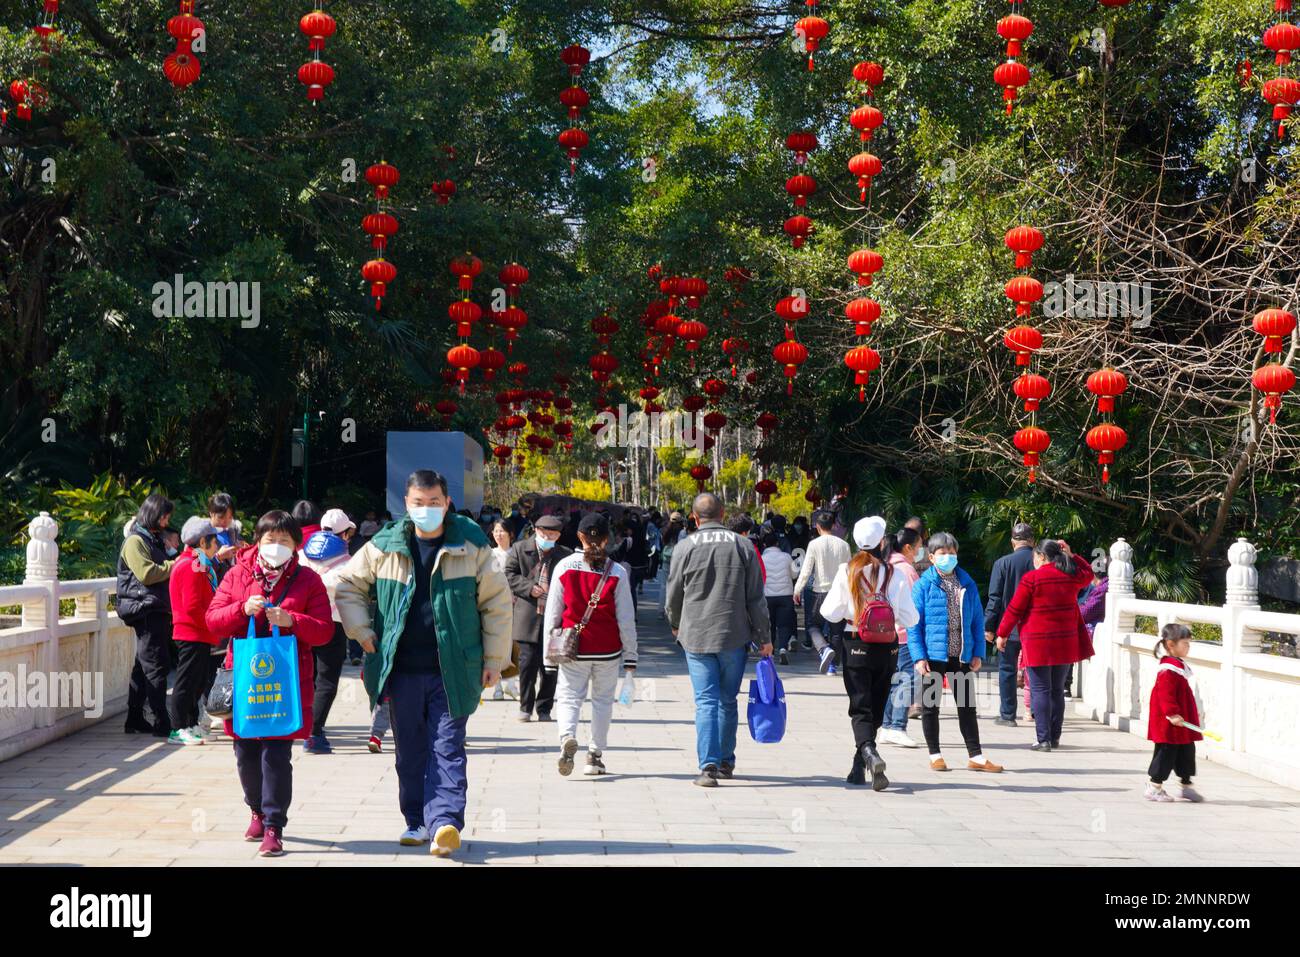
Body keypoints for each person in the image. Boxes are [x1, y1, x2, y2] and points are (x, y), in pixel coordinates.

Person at [334, 470, 512, 857]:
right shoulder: (384, 545)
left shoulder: (471, 544)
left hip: (454, 669)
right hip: (400, 670)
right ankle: (415, 819)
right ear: (406, 504)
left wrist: (495, 660)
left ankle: (445, 821)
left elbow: (497, 603)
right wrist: (361, 631)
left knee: (447, 746)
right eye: (419, 503)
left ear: (447, 503)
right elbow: (347, 584)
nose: (427, 510)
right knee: (410, 749)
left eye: (434, 503)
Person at [205, 510, 334, 857]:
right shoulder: (238, 574)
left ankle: (274, 825)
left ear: (296, 545)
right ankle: (256, 810)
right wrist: (241, 610)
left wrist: (293, 619)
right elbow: (213, 621)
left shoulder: (308, 580)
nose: (276, 547)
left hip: (286, 682)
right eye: (269, 540)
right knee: (246, 753)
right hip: (245, 681)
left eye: (284, 541)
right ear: (258, 541)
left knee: (277, 755)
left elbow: (324, 631)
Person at [665, 493, 771, 787]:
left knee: (706, 702)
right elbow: (756, 597)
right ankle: (726, 761)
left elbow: (673, 592)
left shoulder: (684, 547)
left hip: (696, 635)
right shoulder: (744, 546)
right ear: (723, 514)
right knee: (727, 699)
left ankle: (708, 766)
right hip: (733, 634)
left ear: (695, 518)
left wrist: (675, 623)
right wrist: (764, 636)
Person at [820, 516, 920, 790]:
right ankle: (859, 764)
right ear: (882, 541)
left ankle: (868, 752)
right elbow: (910, 618)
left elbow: (829, 612)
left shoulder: (847, 571)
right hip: (887, 647)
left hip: (855, 644)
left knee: (860, 706)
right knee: (876, 706)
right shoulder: (894, 573)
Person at [545, 512, 638, 776]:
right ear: (608, 539)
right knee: (602, 702)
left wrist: (547, 658)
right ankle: (594, 755)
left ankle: (566, 737)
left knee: (569, 697)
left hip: (573, 649)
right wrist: (631, 658)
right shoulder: (617, 572)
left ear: (579, 536)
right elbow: (626, 619)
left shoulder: (563, 567)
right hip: (608, 650)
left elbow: (552, 614)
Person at [907, 532, 1003, 773]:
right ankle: (935, 754)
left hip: (961, 654)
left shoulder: (966, 583)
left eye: (952, 553)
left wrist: (978, 652)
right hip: (933, 656)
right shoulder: (923, 585)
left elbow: (976, 620)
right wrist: (919, 656)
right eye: (943, 553)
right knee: (931, 706)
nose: (948, 557)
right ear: (931, 556)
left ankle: (976, 756)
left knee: (967, 706)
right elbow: (913, 624)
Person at [994, 539, 1095, 751]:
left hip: (1038, 642)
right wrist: (1072, 553)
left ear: (1041, 557)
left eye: (1035, 558)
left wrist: (1002, 633)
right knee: (1057, 690)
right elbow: (1088, 574)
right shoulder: (1071, 576)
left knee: (1040, 690)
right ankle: (1055, 737)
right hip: (1065, 641)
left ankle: (1043, 739)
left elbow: (1014, 609)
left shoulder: (1032, 578)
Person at [117, 493, 178, 738]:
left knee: (143, 666)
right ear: (154, 514)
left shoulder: (151, 538)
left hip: (155, 607)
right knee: (156, 665)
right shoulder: (135, 541)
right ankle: (162, 720)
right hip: (145, 609)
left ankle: (134, 718)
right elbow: (146, 574)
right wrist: (175, 564)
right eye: (164, 516)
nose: (166, 521)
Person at [299, 508, 357, 752]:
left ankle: (301, 725)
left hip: (302, 622)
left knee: (306, 677)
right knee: (327, 680)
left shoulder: (301, 555)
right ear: (344, 534)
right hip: (332, 624)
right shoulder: (348, 561)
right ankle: (314, 733)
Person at [505, 515, 571, 722]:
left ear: (559, 535)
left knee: (551, 667)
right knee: (527, 665)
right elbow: (508, 574)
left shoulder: (564, 555)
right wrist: (528, 588)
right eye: (544, 533)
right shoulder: (519, 548)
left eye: (553, 534)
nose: (548, 537)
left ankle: (544, 708)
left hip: (555, 618)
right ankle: (525, 707)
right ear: (536, 531)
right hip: (528, 615)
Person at [166, 517, 223, 746]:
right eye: (214, 541)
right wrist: (213, 624)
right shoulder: (191, 564)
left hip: (198, 632)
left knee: (196, 682)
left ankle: (190, 724)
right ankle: (177, 728)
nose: (217, 546)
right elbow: (192, 606)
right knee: (186, 683)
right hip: (191, 632)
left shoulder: (197, 561)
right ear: (202, 541)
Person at [984, 522, 1037, 728]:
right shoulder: (1040, 561)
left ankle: (1008, 715)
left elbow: (995, 598)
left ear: (1012, 541)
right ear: (1032, 541)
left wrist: (989, 626)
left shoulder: (1002, 563)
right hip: (1035, 627)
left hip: (1009, 627)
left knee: (1007, 670)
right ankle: (1035, 712)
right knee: (1036, 671)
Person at [1145, 623, 1204, 803]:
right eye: (1184, 643)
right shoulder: (1168, 670)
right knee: (1166, 753)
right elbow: (1165, 694)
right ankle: (1154, 787)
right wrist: (1172, 713)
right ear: (1171, 645)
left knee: (1186, 752)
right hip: (1170, 723)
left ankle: (1186, 785)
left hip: (1182, 722)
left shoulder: (1177, 665)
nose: (1188, 647)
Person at [878, 527, 923, 748]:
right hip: (905, 633)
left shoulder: (886, 565)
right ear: (907, 547)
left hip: (885, 632)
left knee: (894, 681)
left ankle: (887, 727)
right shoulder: (905, 569)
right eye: (917, 548)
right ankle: (897, 726)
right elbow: (914, 605)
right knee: (909, 679)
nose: (919, 552)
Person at [794, 509, 851, 675]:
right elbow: (849, 570)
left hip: (820, 592)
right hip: (839, 592)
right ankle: (832, 666)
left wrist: (797, 590)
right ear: (833, 525)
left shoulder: (814, 544)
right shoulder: (844, 545)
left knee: (812, 625)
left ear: (818, 527)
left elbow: (806, 571)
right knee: (836, 630)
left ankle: (823, 649)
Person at [761, 530, 797, 664]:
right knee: (784, 625)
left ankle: (770, 652)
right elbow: (794, 575)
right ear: (777, 543)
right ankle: (783, 648)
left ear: (764, 545)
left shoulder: (762, 558)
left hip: (767, 596)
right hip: (785, 595)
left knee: (770, 625)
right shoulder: (787, 556)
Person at [207, 492, 243, 578]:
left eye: (230, 517)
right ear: (211, 513)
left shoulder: (233, 531)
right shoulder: (200, 535)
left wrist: (242, 550)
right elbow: (196, 568)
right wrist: (218, 557)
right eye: (221, 517)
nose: (226, 521)